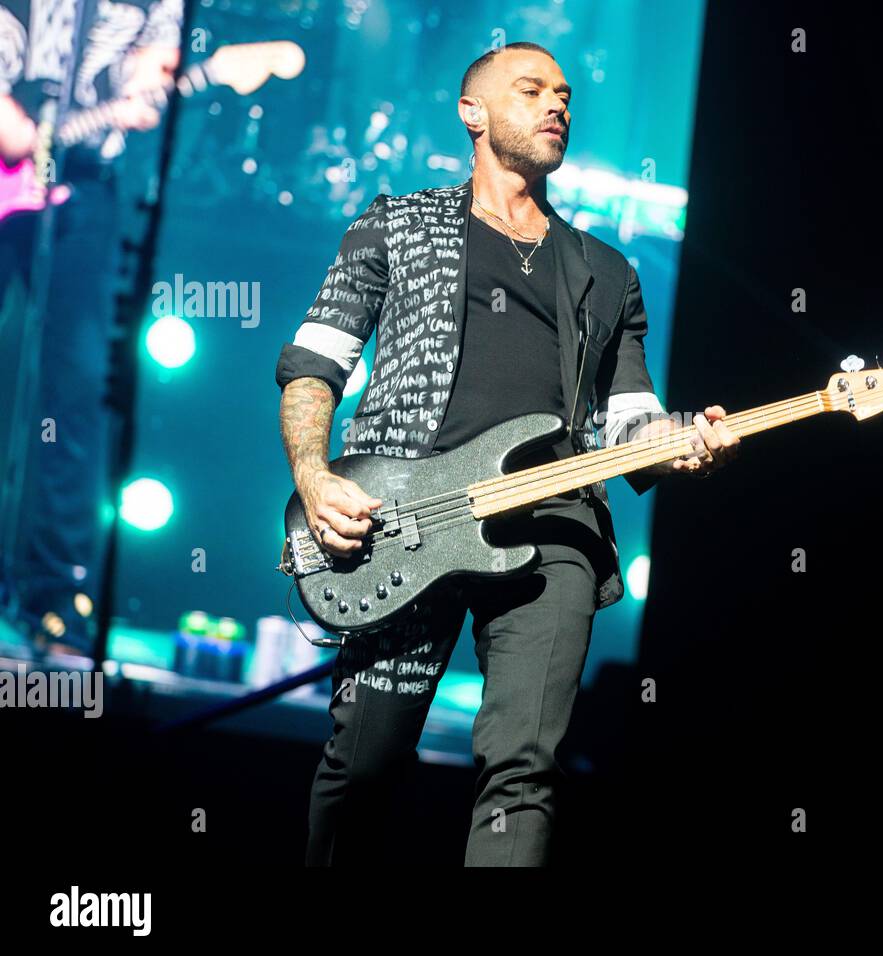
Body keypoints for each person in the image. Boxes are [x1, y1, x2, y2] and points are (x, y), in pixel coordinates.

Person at [275, 41, 739, 866]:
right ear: (473, 112)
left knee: (524, 766)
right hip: (405, 522)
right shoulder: (396, 222)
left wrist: (682, 444)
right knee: (364, 768)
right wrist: (313, 478)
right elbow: (315, 365)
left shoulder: (606, 270)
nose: (557, 104)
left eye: (564, 95)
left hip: (554, 530)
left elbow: (632, 429)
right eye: (532, 90)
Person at [0, 0, 182, 657]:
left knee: (76, 389)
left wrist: (149, 80)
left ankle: (55, 595)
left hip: (87, 190)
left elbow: (156, 62)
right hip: (8, 172)